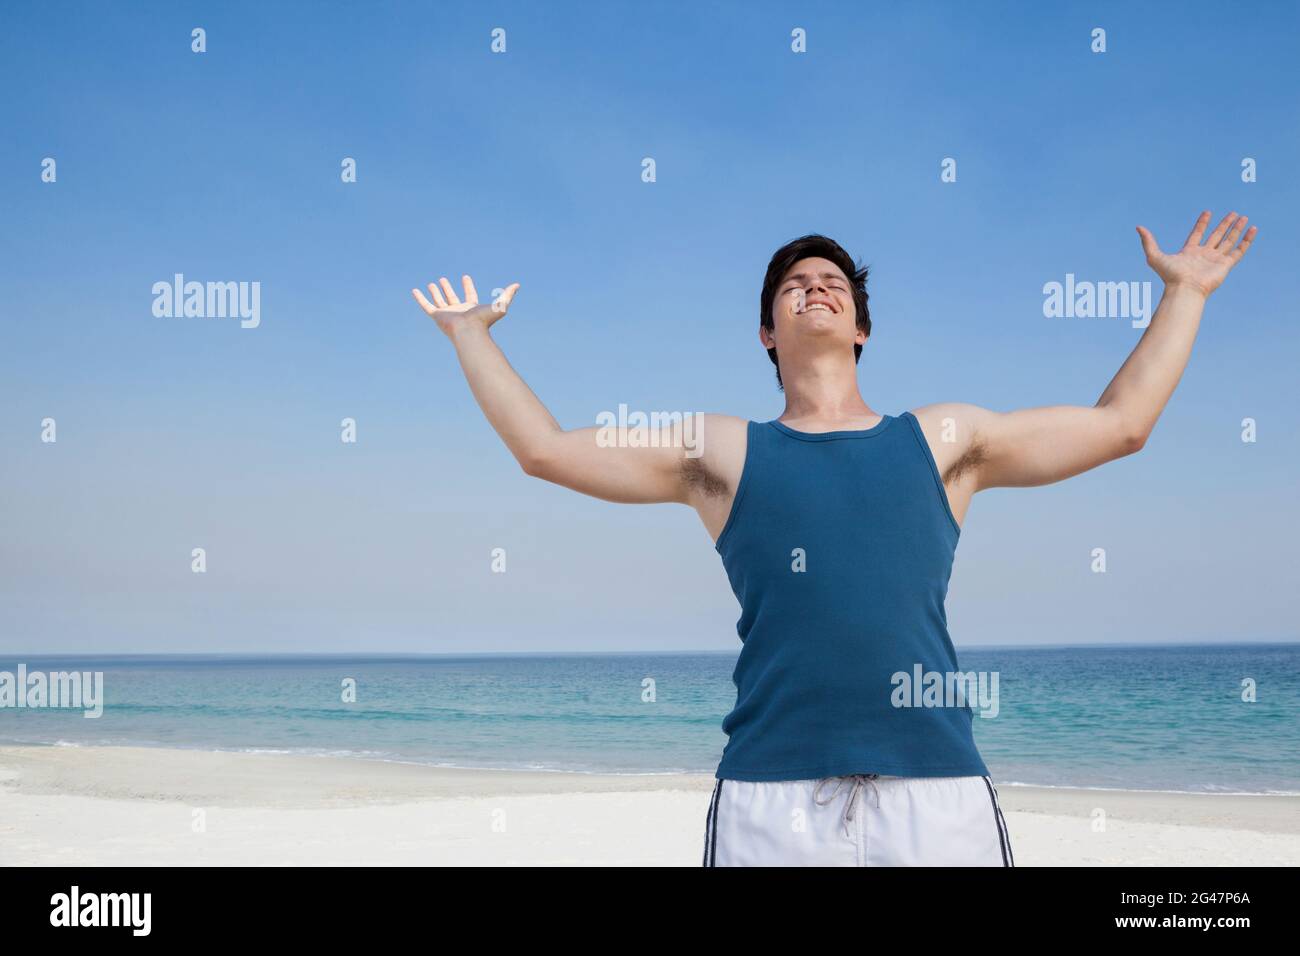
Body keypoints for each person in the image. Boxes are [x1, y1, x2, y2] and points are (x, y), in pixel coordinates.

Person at [411, 210, 1257, 866]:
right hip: (770, 799)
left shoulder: (941, 438)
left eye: (834, 281)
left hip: (938, 793)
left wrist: (1185, 293)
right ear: (767, 335)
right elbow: (545, 450)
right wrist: (471, 337)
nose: (814, 285)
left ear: (861, 327)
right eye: (792, 283)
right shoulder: (722, 450)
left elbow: (1122, 425)